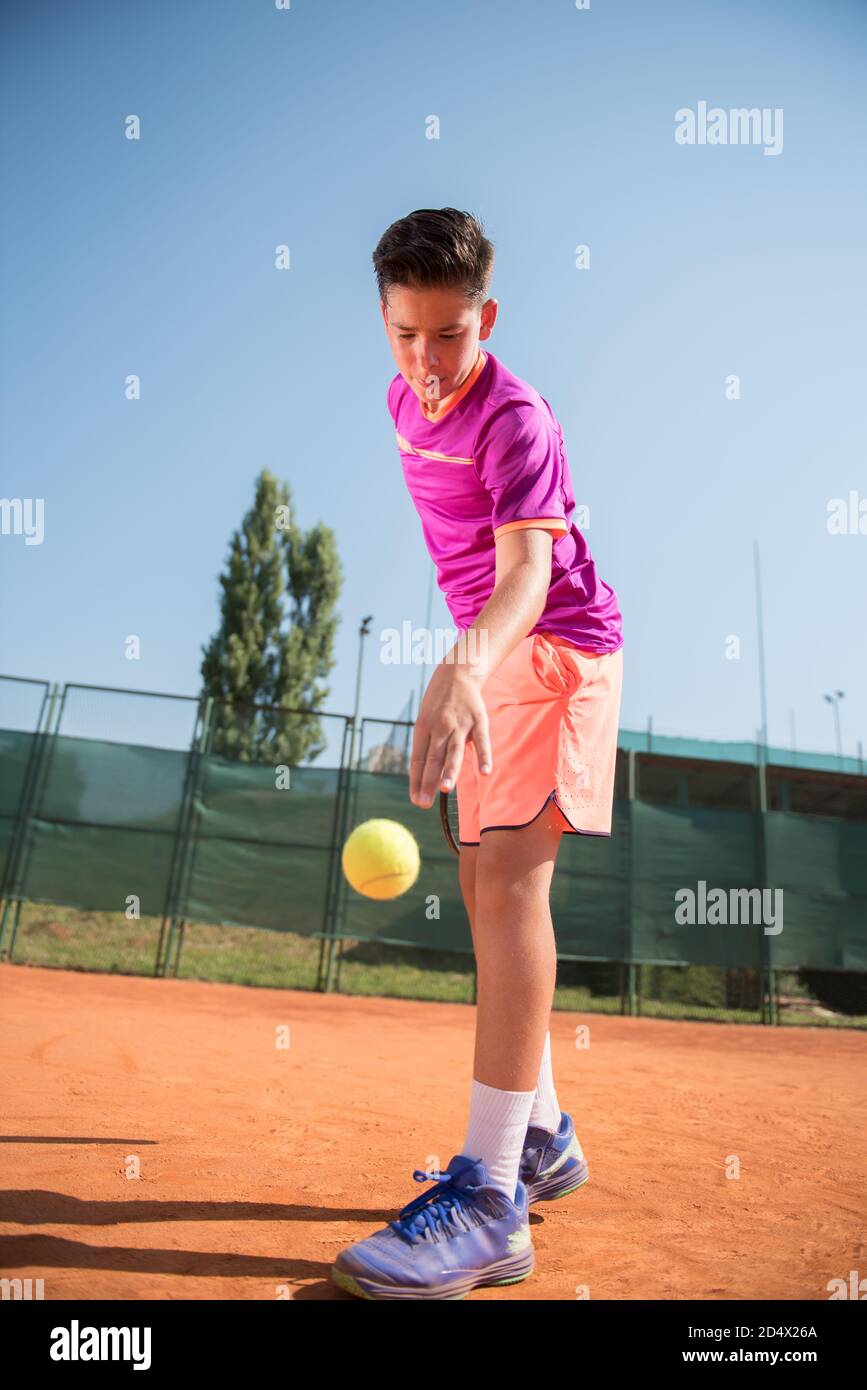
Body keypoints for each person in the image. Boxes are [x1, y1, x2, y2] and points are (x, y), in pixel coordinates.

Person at [331, 208, 623, 1300]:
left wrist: (464, 663)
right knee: (478, 873)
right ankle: (541, 1133)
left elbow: (529, 578)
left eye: (448, 334)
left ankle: (494, 1200)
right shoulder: (402, 397)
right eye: (405, 332)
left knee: (506, 879)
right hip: (492, 652)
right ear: (384, 322)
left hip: (554, 643)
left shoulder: (518, 418)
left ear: (485, 318)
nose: (427, 360)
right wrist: (468, 664)